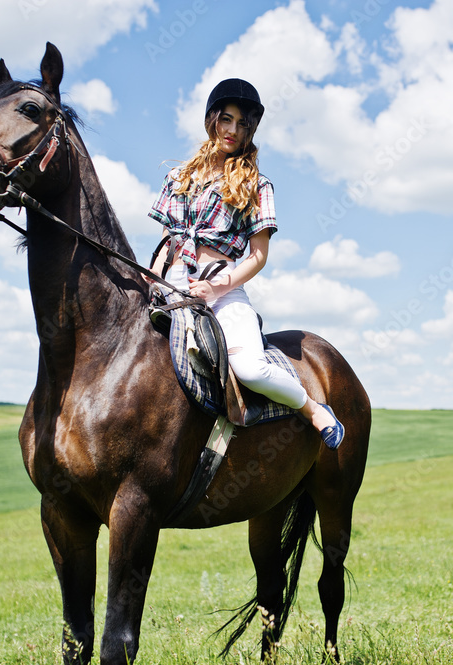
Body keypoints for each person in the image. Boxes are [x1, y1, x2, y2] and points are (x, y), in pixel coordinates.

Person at [148, 78, 343, 449]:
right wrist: (151, 282)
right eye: (226, 119)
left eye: (242, 124)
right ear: (212, 121)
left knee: (249, 369)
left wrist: (215, 288)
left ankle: (313, 409)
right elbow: (164, 241)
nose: (232, 131)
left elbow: (258, 256)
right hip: (172, 283)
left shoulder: (257, 185)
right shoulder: (177, 178)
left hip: (222, 288)